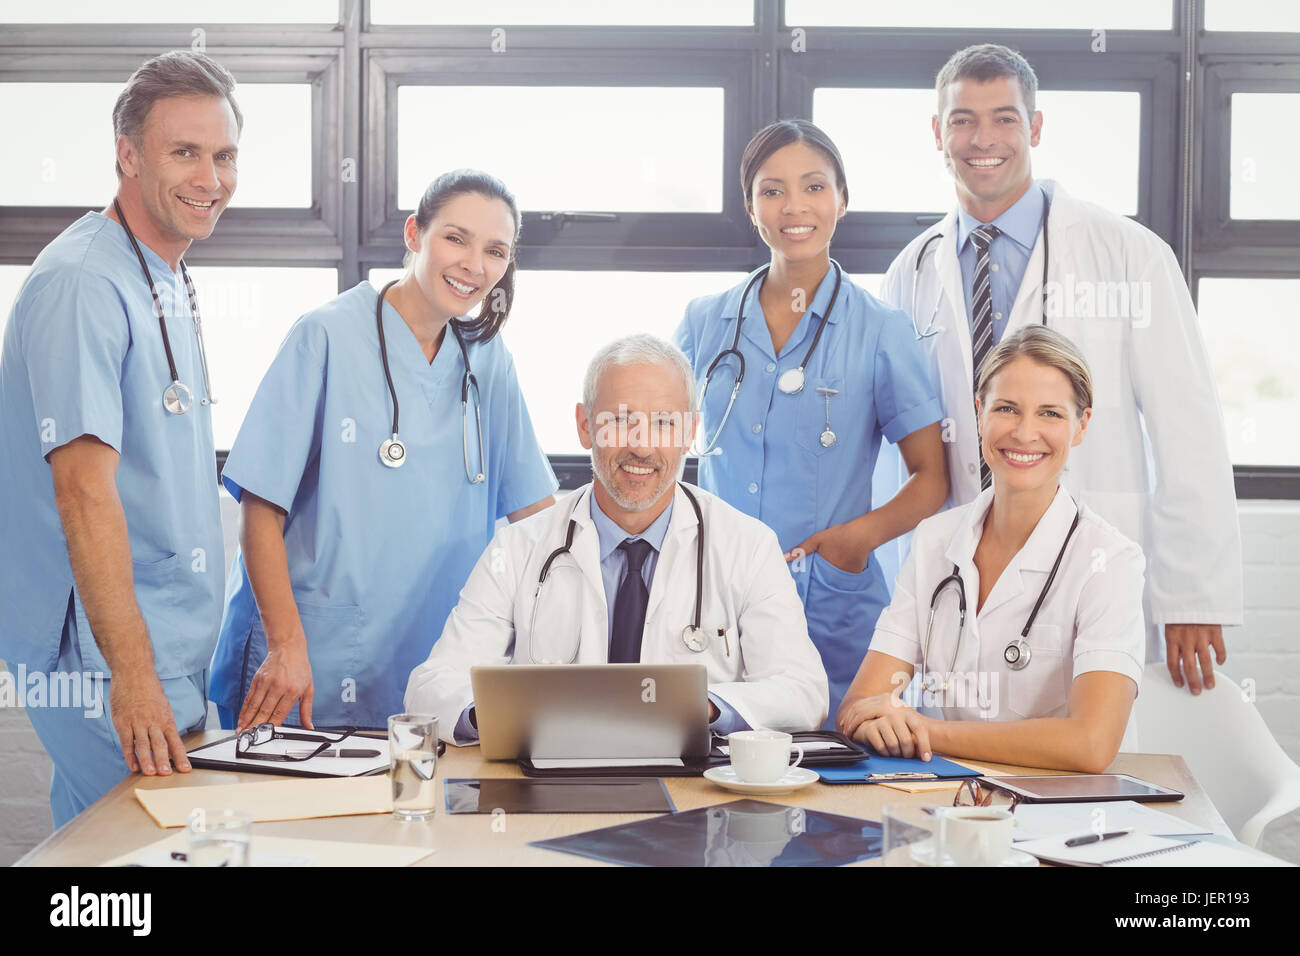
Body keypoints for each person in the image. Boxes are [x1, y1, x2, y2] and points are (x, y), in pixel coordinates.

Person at [880, 43, 1241, 696]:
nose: (982, 139)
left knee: (1084, 769)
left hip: (1089, 560)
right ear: (938, 133)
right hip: (962, 570)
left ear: (1035, 128)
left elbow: (1187, 429)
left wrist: (1192, 595)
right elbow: (901, 444)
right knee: (956, 768)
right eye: (962, 119)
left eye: (1004, 118)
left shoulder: (1128, 254)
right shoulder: (913, 269)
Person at [210, 170, 557, 732]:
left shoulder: (487, 359)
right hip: (314, 659)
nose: (474, 264)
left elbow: (536, 516)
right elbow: (260, 507)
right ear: (415, 233)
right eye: (456, 238)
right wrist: (286, 646)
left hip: (437, 663)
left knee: (421, 816)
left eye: (495, 250)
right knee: (298, 819)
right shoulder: (324, 337)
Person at [0, 52, 242, 825]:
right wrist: (131, 675)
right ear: (127, 155)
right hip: (101, 657)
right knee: (154, 844)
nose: (211, 178)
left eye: (224, 155)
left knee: (95, 839)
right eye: (185, 152)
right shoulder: (81, 284)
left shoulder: (164, 275)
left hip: (160, 642)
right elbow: (81, 487)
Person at [404, 334, 829, 739]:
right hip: (549, 789)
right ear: (585, 426)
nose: (642, 447)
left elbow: (802, 689)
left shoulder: (748, 547)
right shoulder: (517, 549)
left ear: (689, 433)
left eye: (664, 423)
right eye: (621, 421)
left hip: (697, 790)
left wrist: (703, 706)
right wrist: (508, 712)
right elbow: (431, 686)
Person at [675, 120, 948, 721]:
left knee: (842, 780)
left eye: (814, 187)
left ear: (841, 200)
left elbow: (932, 477)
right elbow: (663, 447)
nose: (794, 206)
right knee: (714, 776)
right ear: (751, 208)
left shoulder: (880, 329)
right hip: (715, 596)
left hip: (832, 604)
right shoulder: (704, 322)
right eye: (772, 190)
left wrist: (856, 543)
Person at [838, 326, 1144, 774]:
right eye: (1006, 408)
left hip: (1065, 816)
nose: (1024, 433)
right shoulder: (934, 542)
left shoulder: (1109, 560)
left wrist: (926, 731)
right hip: (955, 805)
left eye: (1050, 414)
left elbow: (1091, 744)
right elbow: (857, 706)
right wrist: (874, 725)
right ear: (979, 413)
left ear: (1082, 426)